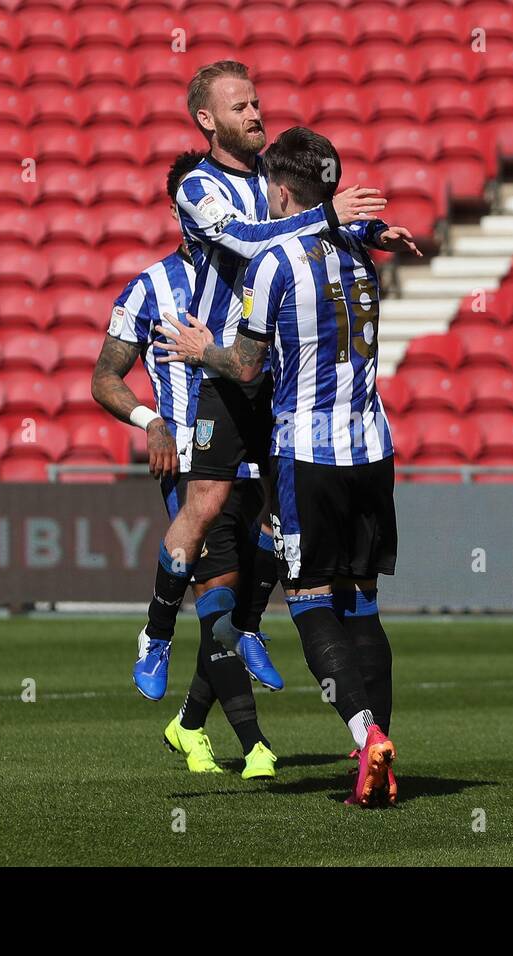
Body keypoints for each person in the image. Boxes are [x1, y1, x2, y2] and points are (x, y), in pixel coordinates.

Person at [131, 59, 417, 702]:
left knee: (278, 512)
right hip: (225, 366)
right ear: (207, 121)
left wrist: (372, 231)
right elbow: (251, 243)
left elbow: (315, 217)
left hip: (278, 371)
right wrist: (332, 218)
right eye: (239, 108)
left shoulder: (273, 175)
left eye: (256, 102)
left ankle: (251, 624)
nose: (255, 114)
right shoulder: (198, 190)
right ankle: (155, 632)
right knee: (204, 507)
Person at [159, 128, 400, 808]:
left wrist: (205, 349)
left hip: (310, 454)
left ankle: (366, 736)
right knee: (364, 605)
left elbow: (248, 365)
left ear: (284, 191)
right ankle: (377, 757)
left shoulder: (274, 264)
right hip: (373, 449)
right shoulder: (360, 250)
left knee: (309, 600)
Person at [91, 151, 277, 779]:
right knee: (217, 601)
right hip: (190, 464)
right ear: (181, 211)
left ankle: (189, 723)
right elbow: (104, 378)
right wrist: (152, 420)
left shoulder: (263, 280)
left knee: (248, 595)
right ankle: (253, 744)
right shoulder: (150, 287)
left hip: (255, 451)